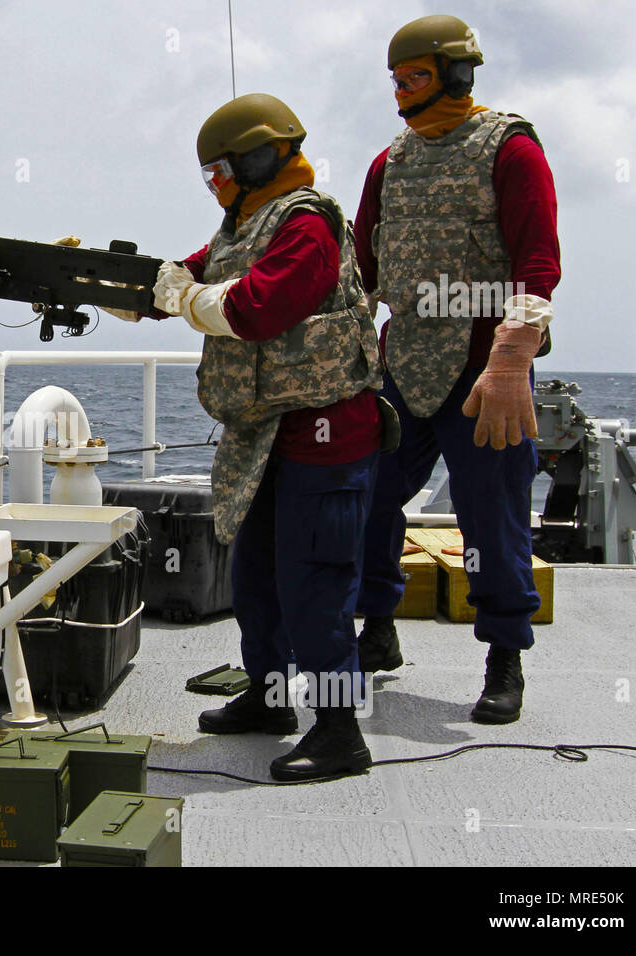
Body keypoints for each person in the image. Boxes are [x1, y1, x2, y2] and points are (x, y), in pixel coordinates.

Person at [149, 93, 385, 781]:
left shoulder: (306, 225)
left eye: (219, 170)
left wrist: (181, 298)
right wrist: (122, 289)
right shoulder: (242, 228)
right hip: (265, 435)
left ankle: (340, 732)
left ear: (257, 157)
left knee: (317, 588)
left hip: (327, 436)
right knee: (256, 580)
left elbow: (255, 309)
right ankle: (270, 696)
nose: (215, 185)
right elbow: (189, 278)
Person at [352, 14, 561, 724]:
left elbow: (539, 263)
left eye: (417, 78)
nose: (405, 94)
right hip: (401, 366)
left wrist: (510, 360)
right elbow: (361, 275)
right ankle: (375, 629)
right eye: (398, 82)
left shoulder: (512, 150)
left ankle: (505, 658)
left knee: (492, 520)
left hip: (484, 376)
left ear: (457, 74)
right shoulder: (392, 163)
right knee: (367, 498)